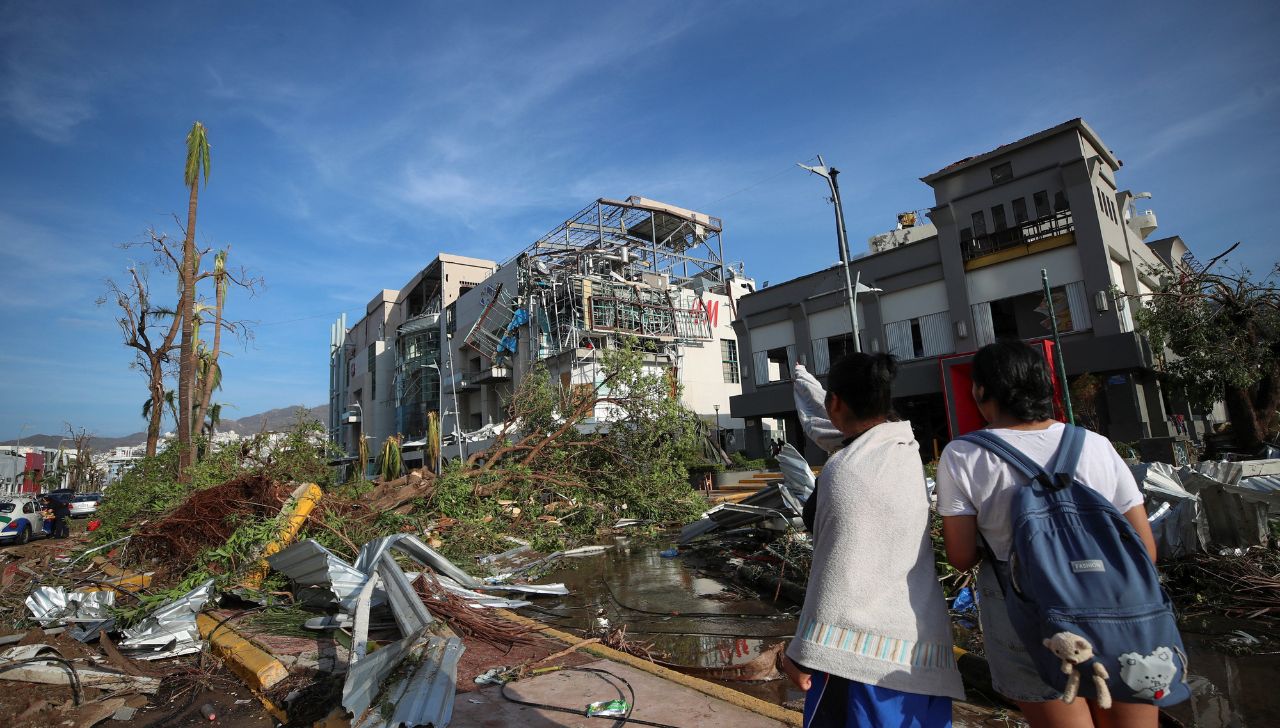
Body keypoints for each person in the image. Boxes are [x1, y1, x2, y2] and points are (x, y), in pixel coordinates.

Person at [936, 341, 1159, 728]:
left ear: (981, 390)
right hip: (1118, 608)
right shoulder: (1096, 445)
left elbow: (960, 556)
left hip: (1026, 614)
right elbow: (1144, 549)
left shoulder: (963, 455)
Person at [780, 353, 964, 727]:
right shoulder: (903, 450)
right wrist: (805, 381)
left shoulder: (844, 469)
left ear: (836, 402)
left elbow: (835, 570)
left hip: (859, 660)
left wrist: (801, 652)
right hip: (920, 649)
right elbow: (829, 427)